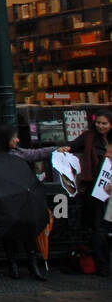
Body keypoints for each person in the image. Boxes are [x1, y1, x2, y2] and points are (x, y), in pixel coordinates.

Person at [0, 125, 65, 281]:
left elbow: (36, 153)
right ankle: (13, 265)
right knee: (9, 232)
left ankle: (32, 265)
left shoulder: (17, 153)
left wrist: (56, 149)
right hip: (5, 200)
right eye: (13, 137)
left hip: (22, 199)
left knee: (29, 230)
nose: (17, 140)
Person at [68, 109, 112, 275]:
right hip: (96, 189)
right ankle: (103, 264)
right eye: (98, 123)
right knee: (99, 226)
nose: (101, 126)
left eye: (104, 123)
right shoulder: (89, 137)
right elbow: (72, 146)